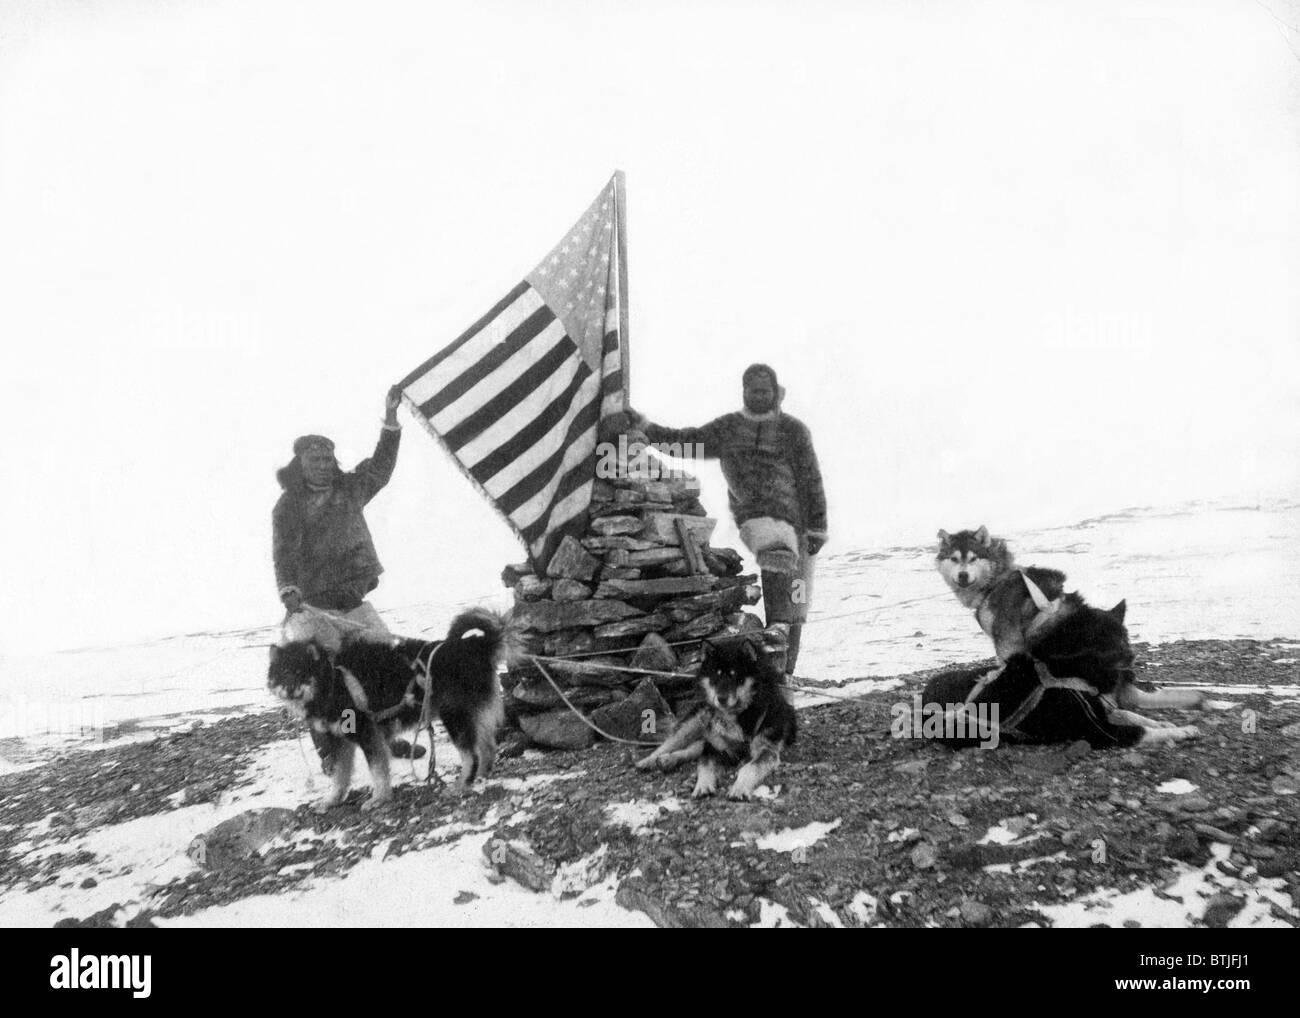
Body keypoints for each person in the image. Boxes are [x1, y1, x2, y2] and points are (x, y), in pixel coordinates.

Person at [628, 363, 828, 676]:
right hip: (759, 517)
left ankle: (784, 678)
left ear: (776, 393)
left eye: (766, 390)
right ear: (744, 392)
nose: (760, 395)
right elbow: (686, 441)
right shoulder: (729, 429)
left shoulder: (794, 431)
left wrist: (818, 527)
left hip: (801, 528)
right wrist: (647, 429)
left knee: (797, 606)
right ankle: (776, 626)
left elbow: (811, 478)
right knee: (776, 557)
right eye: (754, 390)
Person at [273, 384, 419, 767]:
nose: (322, 463)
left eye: (327, 457)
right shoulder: (288, 506)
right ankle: (331, 755)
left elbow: (381, 469)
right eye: (314, 458)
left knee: (385, 665)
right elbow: (283, 553)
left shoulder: (350, 489)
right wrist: (287, 588)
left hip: (353, 603)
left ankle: (383, 739)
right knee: (322, 683)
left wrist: (390, 421)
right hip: (314, 610)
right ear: (300, 464)